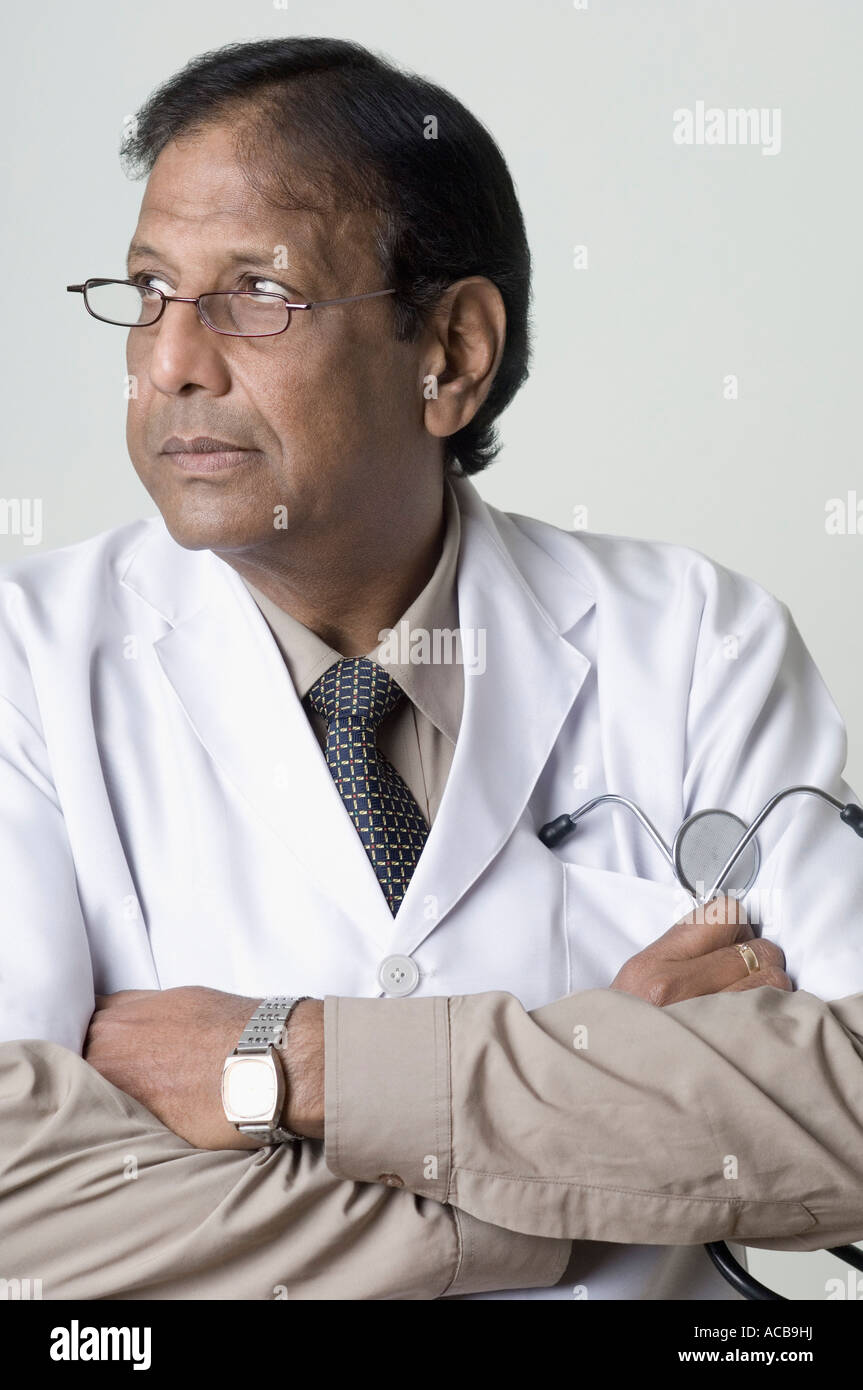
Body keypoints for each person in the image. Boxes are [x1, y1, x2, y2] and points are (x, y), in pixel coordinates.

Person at [2, 36, 862, 1302]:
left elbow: (844, 1116)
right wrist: (582, 1159)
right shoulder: (27, 658)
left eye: (253, 292)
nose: (169, 361)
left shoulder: (692, 639)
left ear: (448, 352)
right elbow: (21, 1187)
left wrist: (293, 1064)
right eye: (146, 291)